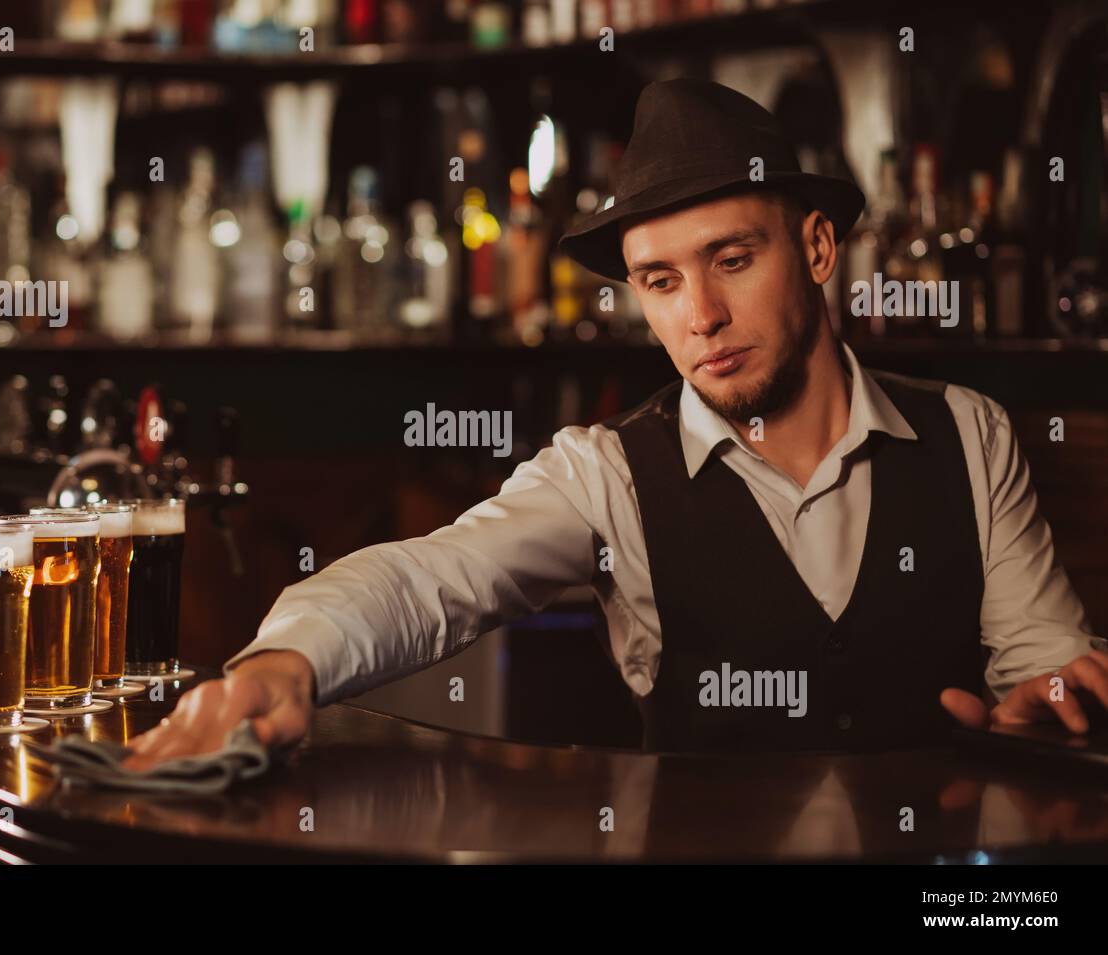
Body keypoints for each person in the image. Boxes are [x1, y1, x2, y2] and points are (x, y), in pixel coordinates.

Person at [124, 79, 1104, 769]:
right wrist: (285, 657)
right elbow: (428, 578)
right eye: (660, 281)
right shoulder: (605, 474)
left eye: (730, 259)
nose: (698, 317)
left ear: (814, 247)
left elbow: (1053, 680)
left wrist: (1042, 714)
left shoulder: (965, 434)